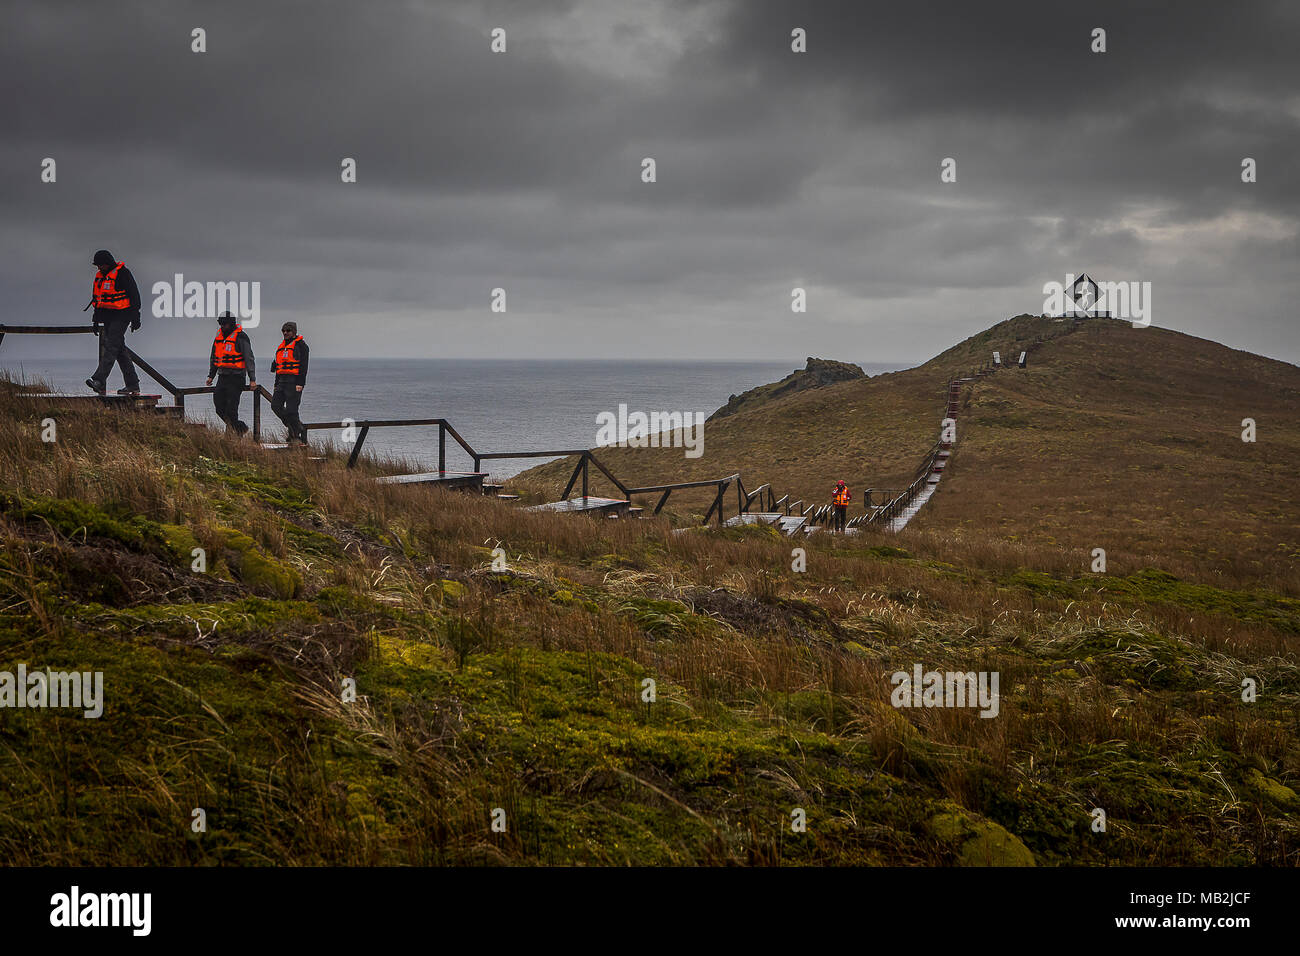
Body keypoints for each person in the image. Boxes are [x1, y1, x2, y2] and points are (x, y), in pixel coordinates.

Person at [84, 250, 143, 396]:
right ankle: (133, 384)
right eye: (97, 265)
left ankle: (98, 380)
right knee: (119, 349)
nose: (99, 268)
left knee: (111, 345)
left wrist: (136, 317)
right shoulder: (100, 277)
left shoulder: (123, 273)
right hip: (108, 317)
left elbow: (135, 296)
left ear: (108, 263)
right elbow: (97, 299)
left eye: (101, 265)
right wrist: (95, 320)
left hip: (123, 315)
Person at [206, 312, 256, 434]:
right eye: (220, 323)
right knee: (219, 407)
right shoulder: (219, 338)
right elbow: (214, 358)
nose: (222, 326)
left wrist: (252, 379)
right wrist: (211, 375)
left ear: (231, 324)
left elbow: (249, 358)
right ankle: (240, 428)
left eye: (225, 324)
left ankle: (230, 436)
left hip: (237, 377)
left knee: (231, 409)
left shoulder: (241, 337)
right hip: (222, 377)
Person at [269, 321, 310, 444]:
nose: (285, 333)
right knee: (275, 406)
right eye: (283, 331)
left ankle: (295, 436)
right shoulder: (281, 347)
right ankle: (296, 427)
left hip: (294, 382)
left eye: (288, 330)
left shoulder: (301, 346)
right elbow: (279, 367)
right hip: (281, 382)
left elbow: (303, 366)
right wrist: (276, 384)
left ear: (294, 332)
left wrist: (300, 383)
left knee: (292, 410)